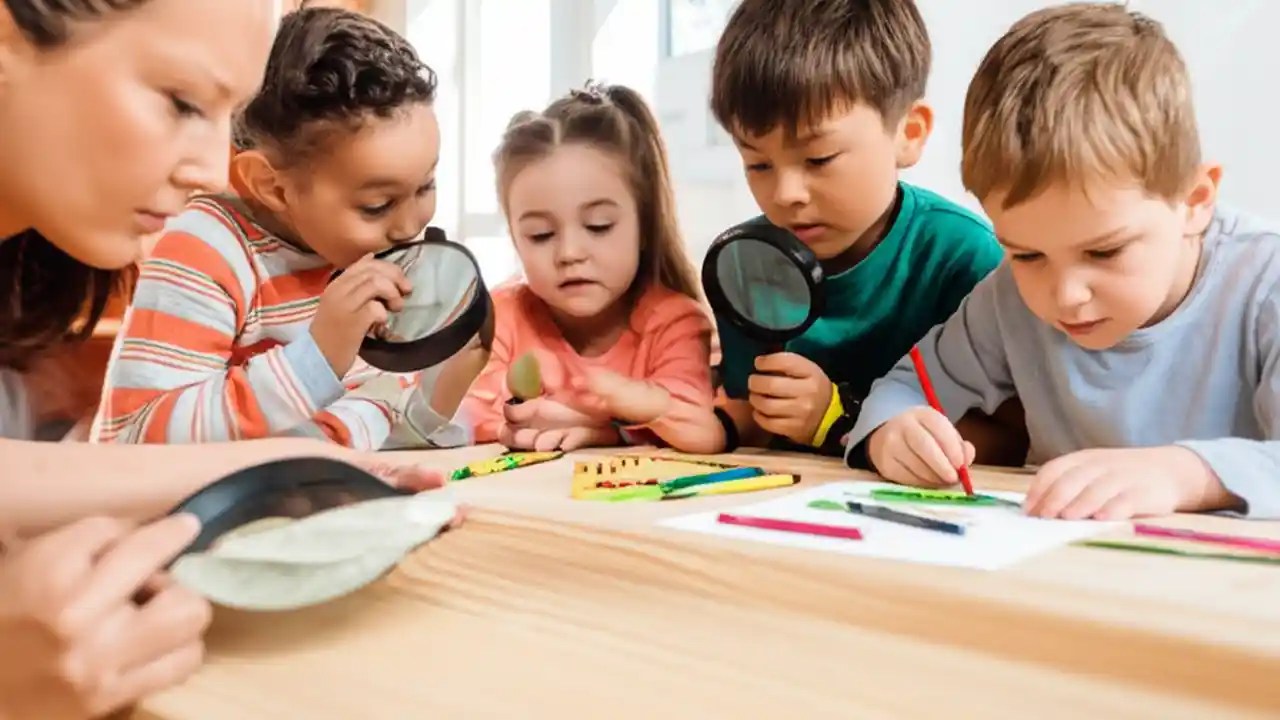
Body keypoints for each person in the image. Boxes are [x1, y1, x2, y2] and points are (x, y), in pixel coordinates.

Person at [0, 2, 438, 717]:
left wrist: (323, 471)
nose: (210, 170)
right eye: (179, 102)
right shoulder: (207, 246)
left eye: (225, 110)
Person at [850, 3, 1278, 520]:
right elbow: (903, 386)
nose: (1066, 294)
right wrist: (890, 432)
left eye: (1105, 251)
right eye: (1027, 254)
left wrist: (1187, 474)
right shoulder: (1008, 297)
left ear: (1194, 199)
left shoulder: (1263, 284)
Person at [94, 7, 481, 451]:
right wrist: (317, 358)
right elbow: (138, 440)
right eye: (377, 205)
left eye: (426, 185)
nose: (411, 225)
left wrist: (446, 385)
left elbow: (369, 420)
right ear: (272, 187)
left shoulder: (361, 258)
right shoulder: (206, 248)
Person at [705, 0, 1024, 462]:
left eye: (819, 159)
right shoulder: (745, 263)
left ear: (908, 133)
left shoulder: (965, 257)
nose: (786, 193)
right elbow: (747, 412)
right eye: (757, 163)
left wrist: (838, 417)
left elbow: (1015, 439)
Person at [462, 83, 721, 453]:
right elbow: (460, 416)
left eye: (599, 226)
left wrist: (610, 429)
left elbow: (700, 430)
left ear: (644, 226)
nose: (569, 253)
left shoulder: (674, 323)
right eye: (540, 234)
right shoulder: (501, 314)